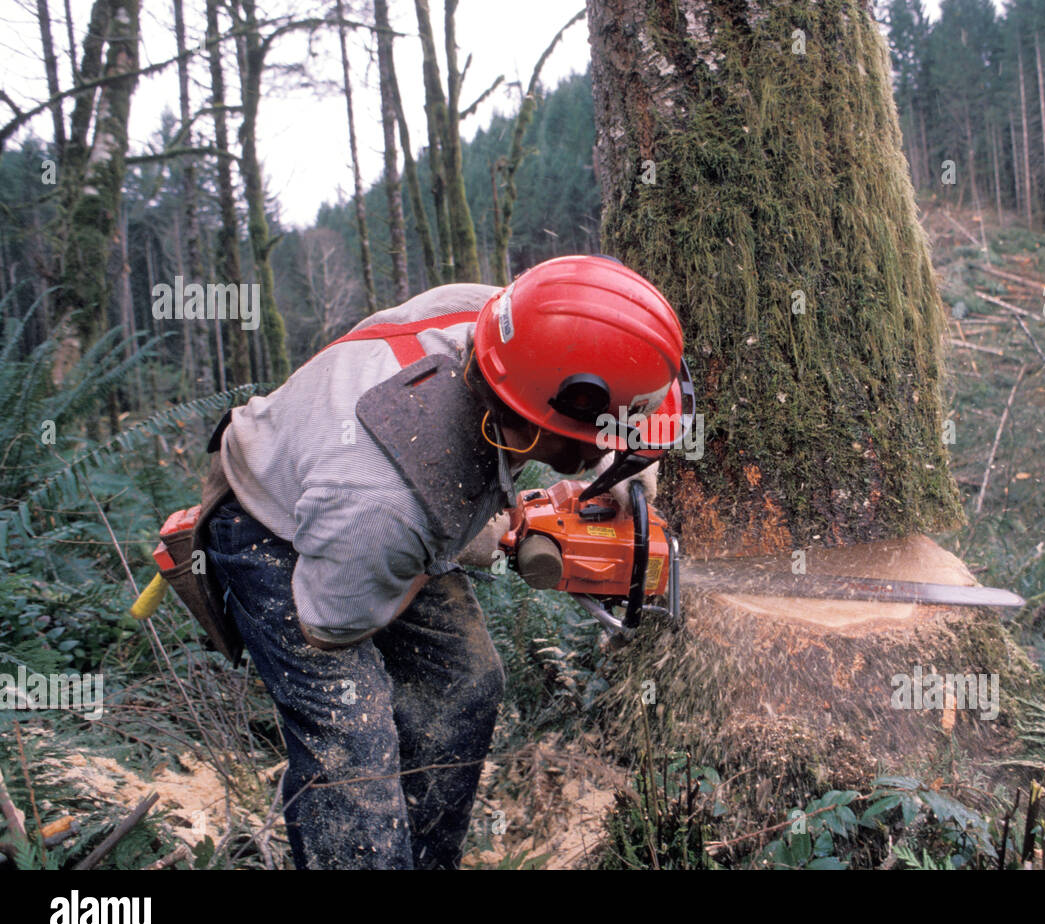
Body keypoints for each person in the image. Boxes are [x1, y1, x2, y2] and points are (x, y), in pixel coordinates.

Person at [200, 255, 690, 869]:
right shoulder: (391, 503)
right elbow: (328, 624)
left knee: (466, 683)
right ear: (542, 423)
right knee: (351, 738)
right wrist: (450, 542)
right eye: (607, 431)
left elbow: (577, 352)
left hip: (375, 496)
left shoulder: (517, 323)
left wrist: (619, 457)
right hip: (274, 526)